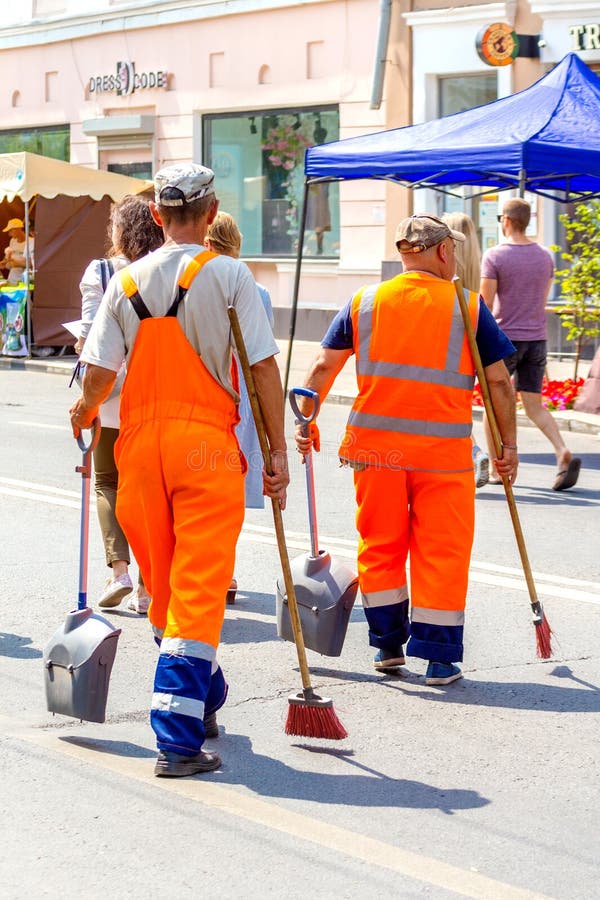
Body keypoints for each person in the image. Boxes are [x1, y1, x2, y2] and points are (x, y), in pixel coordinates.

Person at [70, 163, 288, 778]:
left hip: (138, 449)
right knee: (195, 592)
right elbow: (263, 370)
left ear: (159, 216)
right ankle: (176, 740)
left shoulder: (124, 282)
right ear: (212, 210)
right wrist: (275, 452)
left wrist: (83, 413)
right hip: (205, 450)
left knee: (164, 588)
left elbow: (100, 376)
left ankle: (204, 698)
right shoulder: (229, 276)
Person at [294, 214, 517, 685]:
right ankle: (438, 658)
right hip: (443, 456)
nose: (454, 256)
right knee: (442, 551)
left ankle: (388, 647)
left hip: (376, 452)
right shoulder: (468, 306)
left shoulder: (365, 302)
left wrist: (306, 422)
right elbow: (497, 381)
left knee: (380, 547)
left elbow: (321, 367)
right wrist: (505, 446)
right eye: (452, 249)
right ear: (440, 251)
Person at [76, 195, 164, 614]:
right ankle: (149, 586)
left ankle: (120, 572)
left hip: (110, 395)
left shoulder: (102, 271)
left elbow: (90, 339)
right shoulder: (169, 268)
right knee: (149, 491)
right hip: (155, 394)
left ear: (120, 232)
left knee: (107, 481)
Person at [480, 198, 581, 491]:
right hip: (537, 337)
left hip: (504, 338)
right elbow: (542, 297)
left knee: (491, 405)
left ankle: (500, 469)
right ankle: (561, 450)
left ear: (507, 221)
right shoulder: (544, 257)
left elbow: (485, 303)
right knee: (534, 404)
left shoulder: (495, 255)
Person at [204, 211, 275, 603]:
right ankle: (225, 570)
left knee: (207, 488)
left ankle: (215, 570)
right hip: (246, 397)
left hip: (218, 391)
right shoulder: (256, 289)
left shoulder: (204, 282)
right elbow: (263, 358)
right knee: (231, 490)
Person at [442, 211, 489, 488]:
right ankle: (473, 452)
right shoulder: (475, 263)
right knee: (459, 407)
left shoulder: (447, 263)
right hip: (469, 342)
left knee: (443, 410)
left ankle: (474, 452)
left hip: (446, 340)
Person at [1, 218, 34, 285]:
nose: (9, 234)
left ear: (18, 229)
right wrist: (4, 262)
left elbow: (31, 264)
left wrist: (12, 262)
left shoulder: (31, 241)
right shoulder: (12, 241)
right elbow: (7, 258)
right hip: (11, 279)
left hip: (24, 282)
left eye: (10, 231)